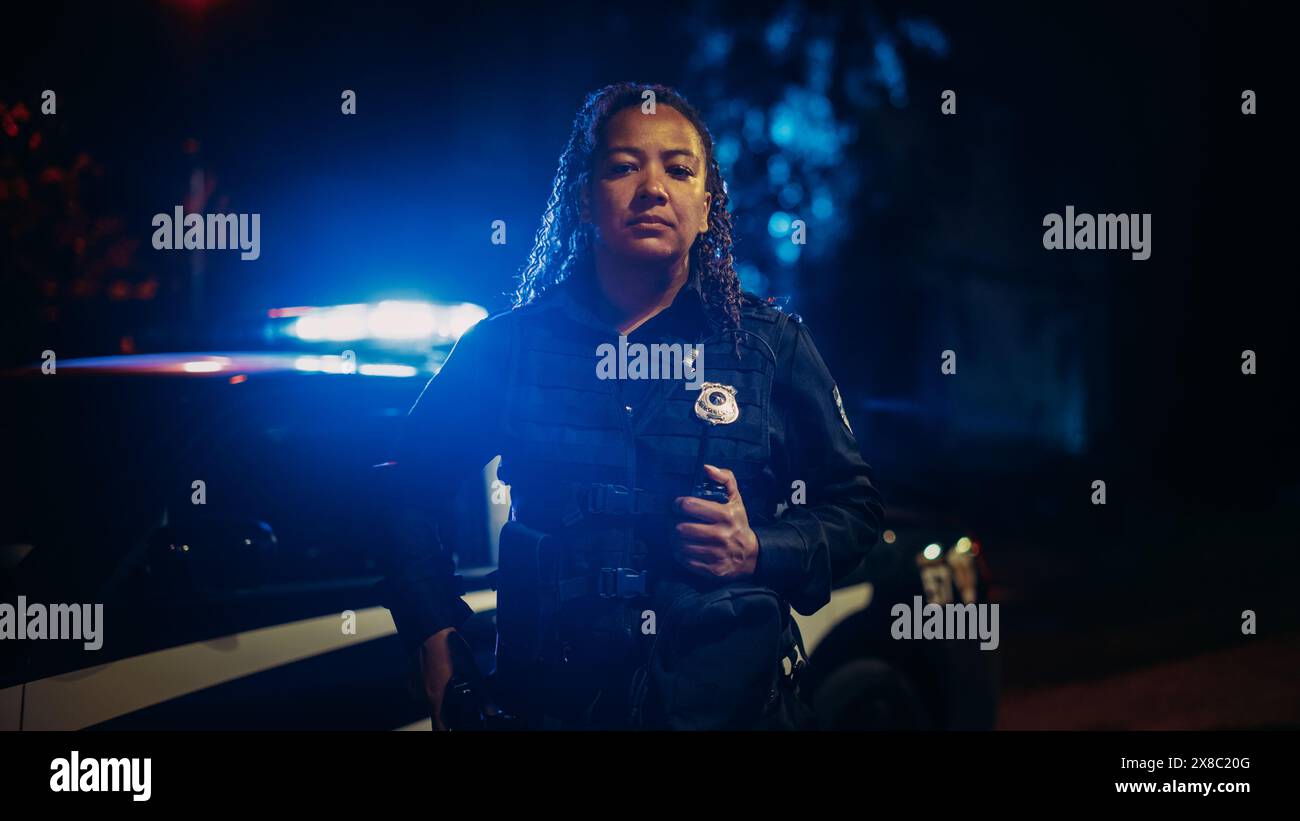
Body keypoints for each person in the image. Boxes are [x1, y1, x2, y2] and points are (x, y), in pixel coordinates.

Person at [377, 82, 884, 730]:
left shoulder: (768, 347)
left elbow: (857, 508)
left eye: (679, 169)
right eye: (623, 166)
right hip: (552, 710)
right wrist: (436, 640)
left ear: (707, 205)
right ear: (584, 197)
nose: (652, 188)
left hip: (731, 711)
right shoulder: (509, 347)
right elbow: (405, 493)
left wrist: (759, 547)